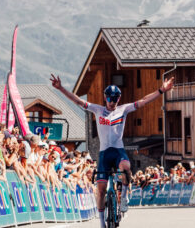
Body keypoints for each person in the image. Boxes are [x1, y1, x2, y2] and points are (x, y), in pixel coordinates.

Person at [50, 73, 174, 227]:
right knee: (101, 190)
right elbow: (77, 101)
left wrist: (161, 90)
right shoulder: (97, 110)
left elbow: (143, 101)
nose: (112, 102)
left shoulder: (123, 109)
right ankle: (102, 223)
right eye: (109, 99)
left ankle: (123, 198)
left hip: (118, 150)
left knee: (126, 167)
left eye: (115, 99)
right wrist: (61, 88)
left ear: (119, 99)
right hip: (104, 154)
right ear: (105, 98)